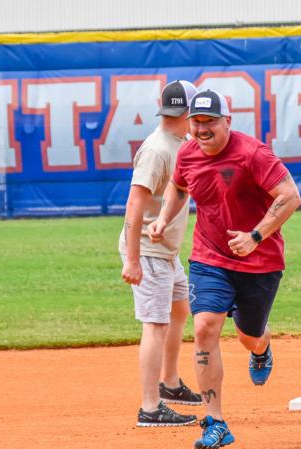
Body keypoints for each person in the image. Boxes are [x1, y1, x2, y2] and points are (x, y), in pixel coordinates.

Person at [149, 89, 301, 449]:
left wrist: (255, 236)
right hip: (210, 258)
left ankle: (261, 348)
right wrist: (163, 218)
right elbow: (177, 187)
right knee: (204, 328)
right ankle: (215, 422)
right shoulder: (186, 153)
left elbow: (291, 196)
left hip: (259, 261)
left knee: (249, 335)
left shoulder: (253, 154)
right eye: (196, 122)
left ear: (227, 122)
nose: (202, 129)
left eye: (210, 122)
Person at [120, 80, 203, 427]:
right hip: (148, 251)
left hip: (166, 252)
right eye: (196, 112)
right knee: (155, 324)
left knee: (180, 309)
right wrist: (133, 259)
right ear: (186, 112)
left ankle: (169, 384)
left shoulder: (180, 144)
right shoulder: (158, 150)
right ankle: (150, 408)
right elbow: (134, 205)